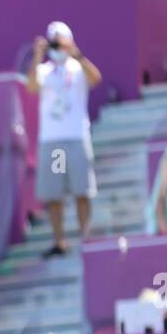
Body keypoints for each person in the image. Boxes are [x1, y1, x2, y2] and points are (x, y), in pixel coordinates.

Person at [27, 21, 101, 257]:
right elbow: (30, 86)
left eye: (60, 40)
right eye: (54, 41)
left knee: (83, 190)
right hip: (52, 141)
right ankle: (60, 241)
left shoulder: (77, 67)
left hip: (76, 136)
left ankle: (86, 237)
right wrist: (38, 55)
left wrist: (76, 53)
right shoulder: (45, 69)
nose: (57, 46)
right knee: (53, 194)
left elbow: (96, 78)